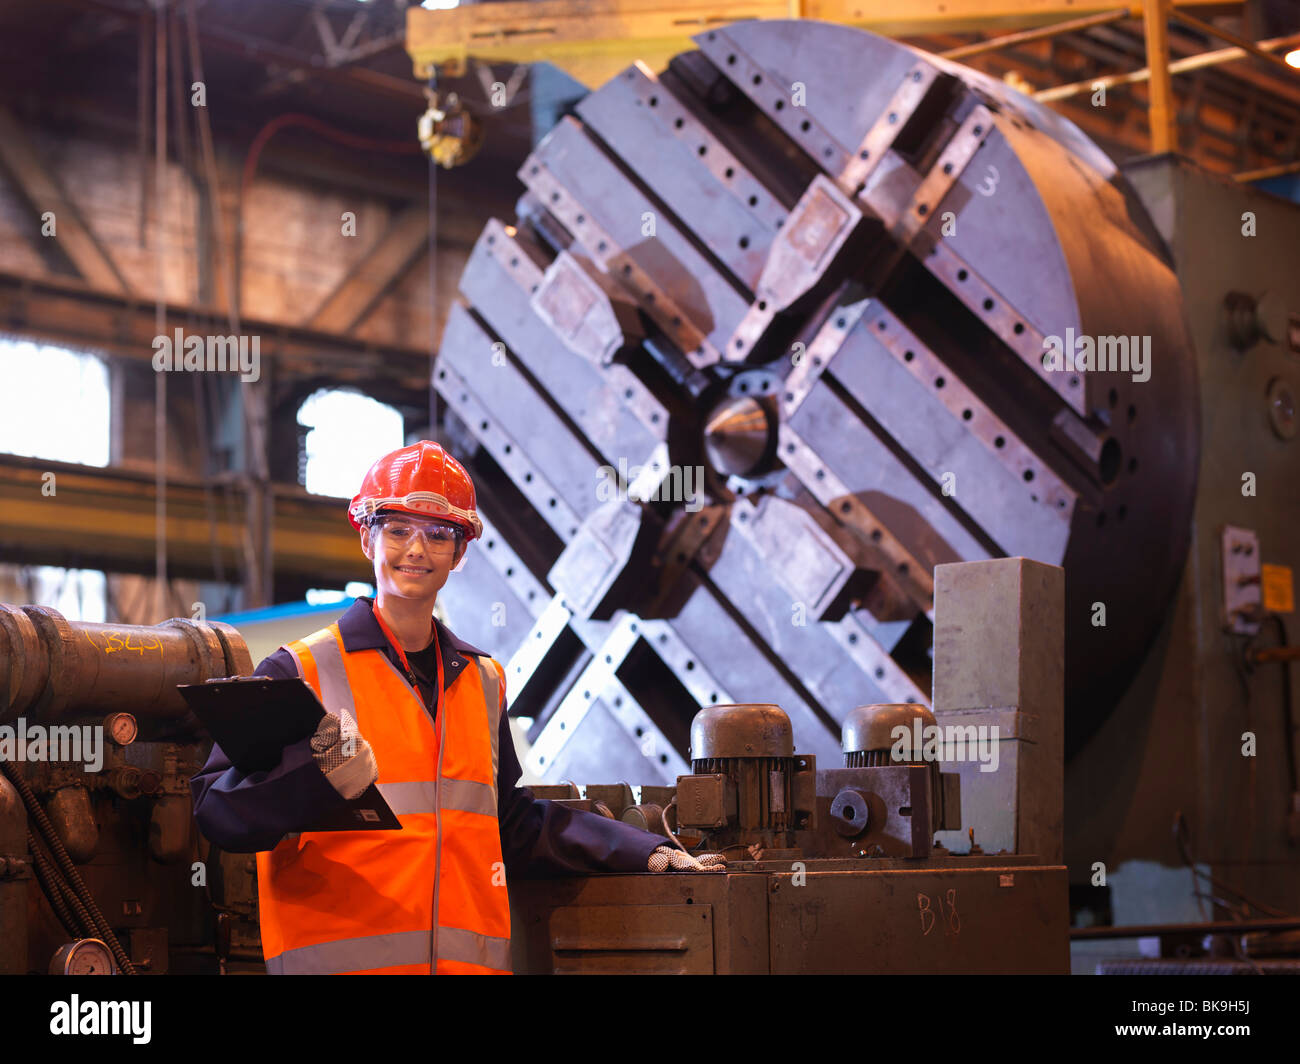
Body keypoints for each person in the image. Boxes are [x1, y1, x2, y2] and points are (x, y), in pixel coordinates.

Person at [190, 440, 723, 975]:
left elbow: (512, 824)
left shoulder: (483, 681)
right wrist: (315, 775)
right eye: (398, 530)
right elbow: (218, 813)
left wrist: (640, 850)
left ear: (460, 552)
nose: (416, 550)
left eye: (438, 534)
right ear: (366, 537)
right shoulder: (299, 672)